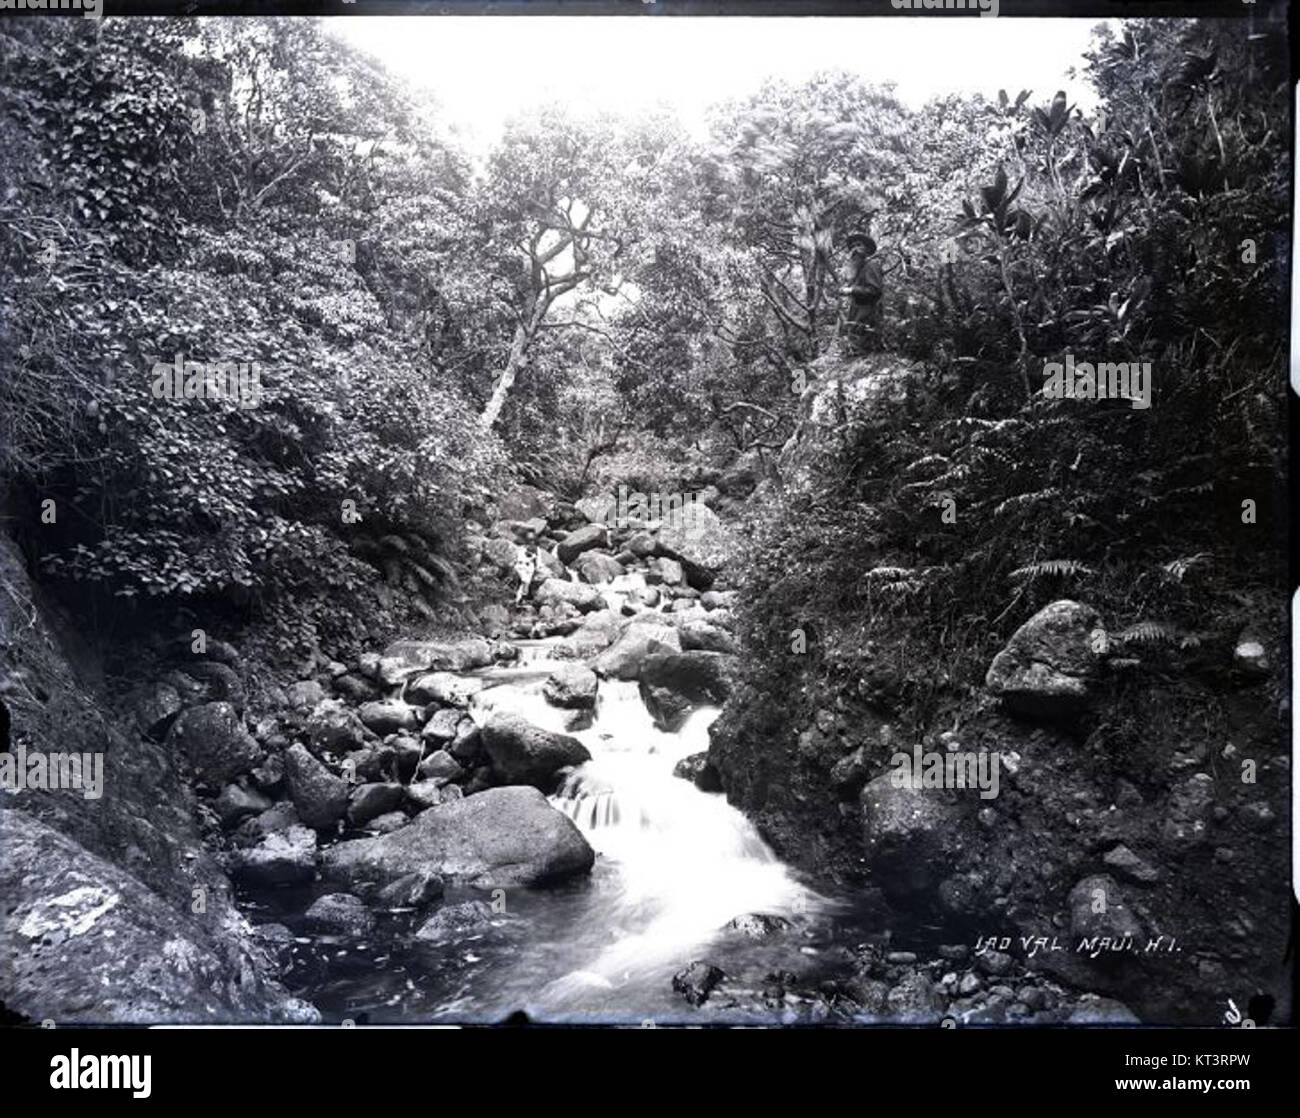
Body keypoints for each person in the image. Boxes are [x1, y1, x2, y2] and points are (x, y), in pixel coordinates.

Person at [838, 233, 884, 354]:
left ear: (867, 249)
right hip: (857, 317)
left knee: (864, 351)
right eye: (852, 246)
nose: (855, 249)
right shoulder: (859, 269)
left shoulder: (871, 265)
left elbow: (875, 291)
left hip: (868, 316)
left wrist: (851, 290)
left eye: (859, 245)